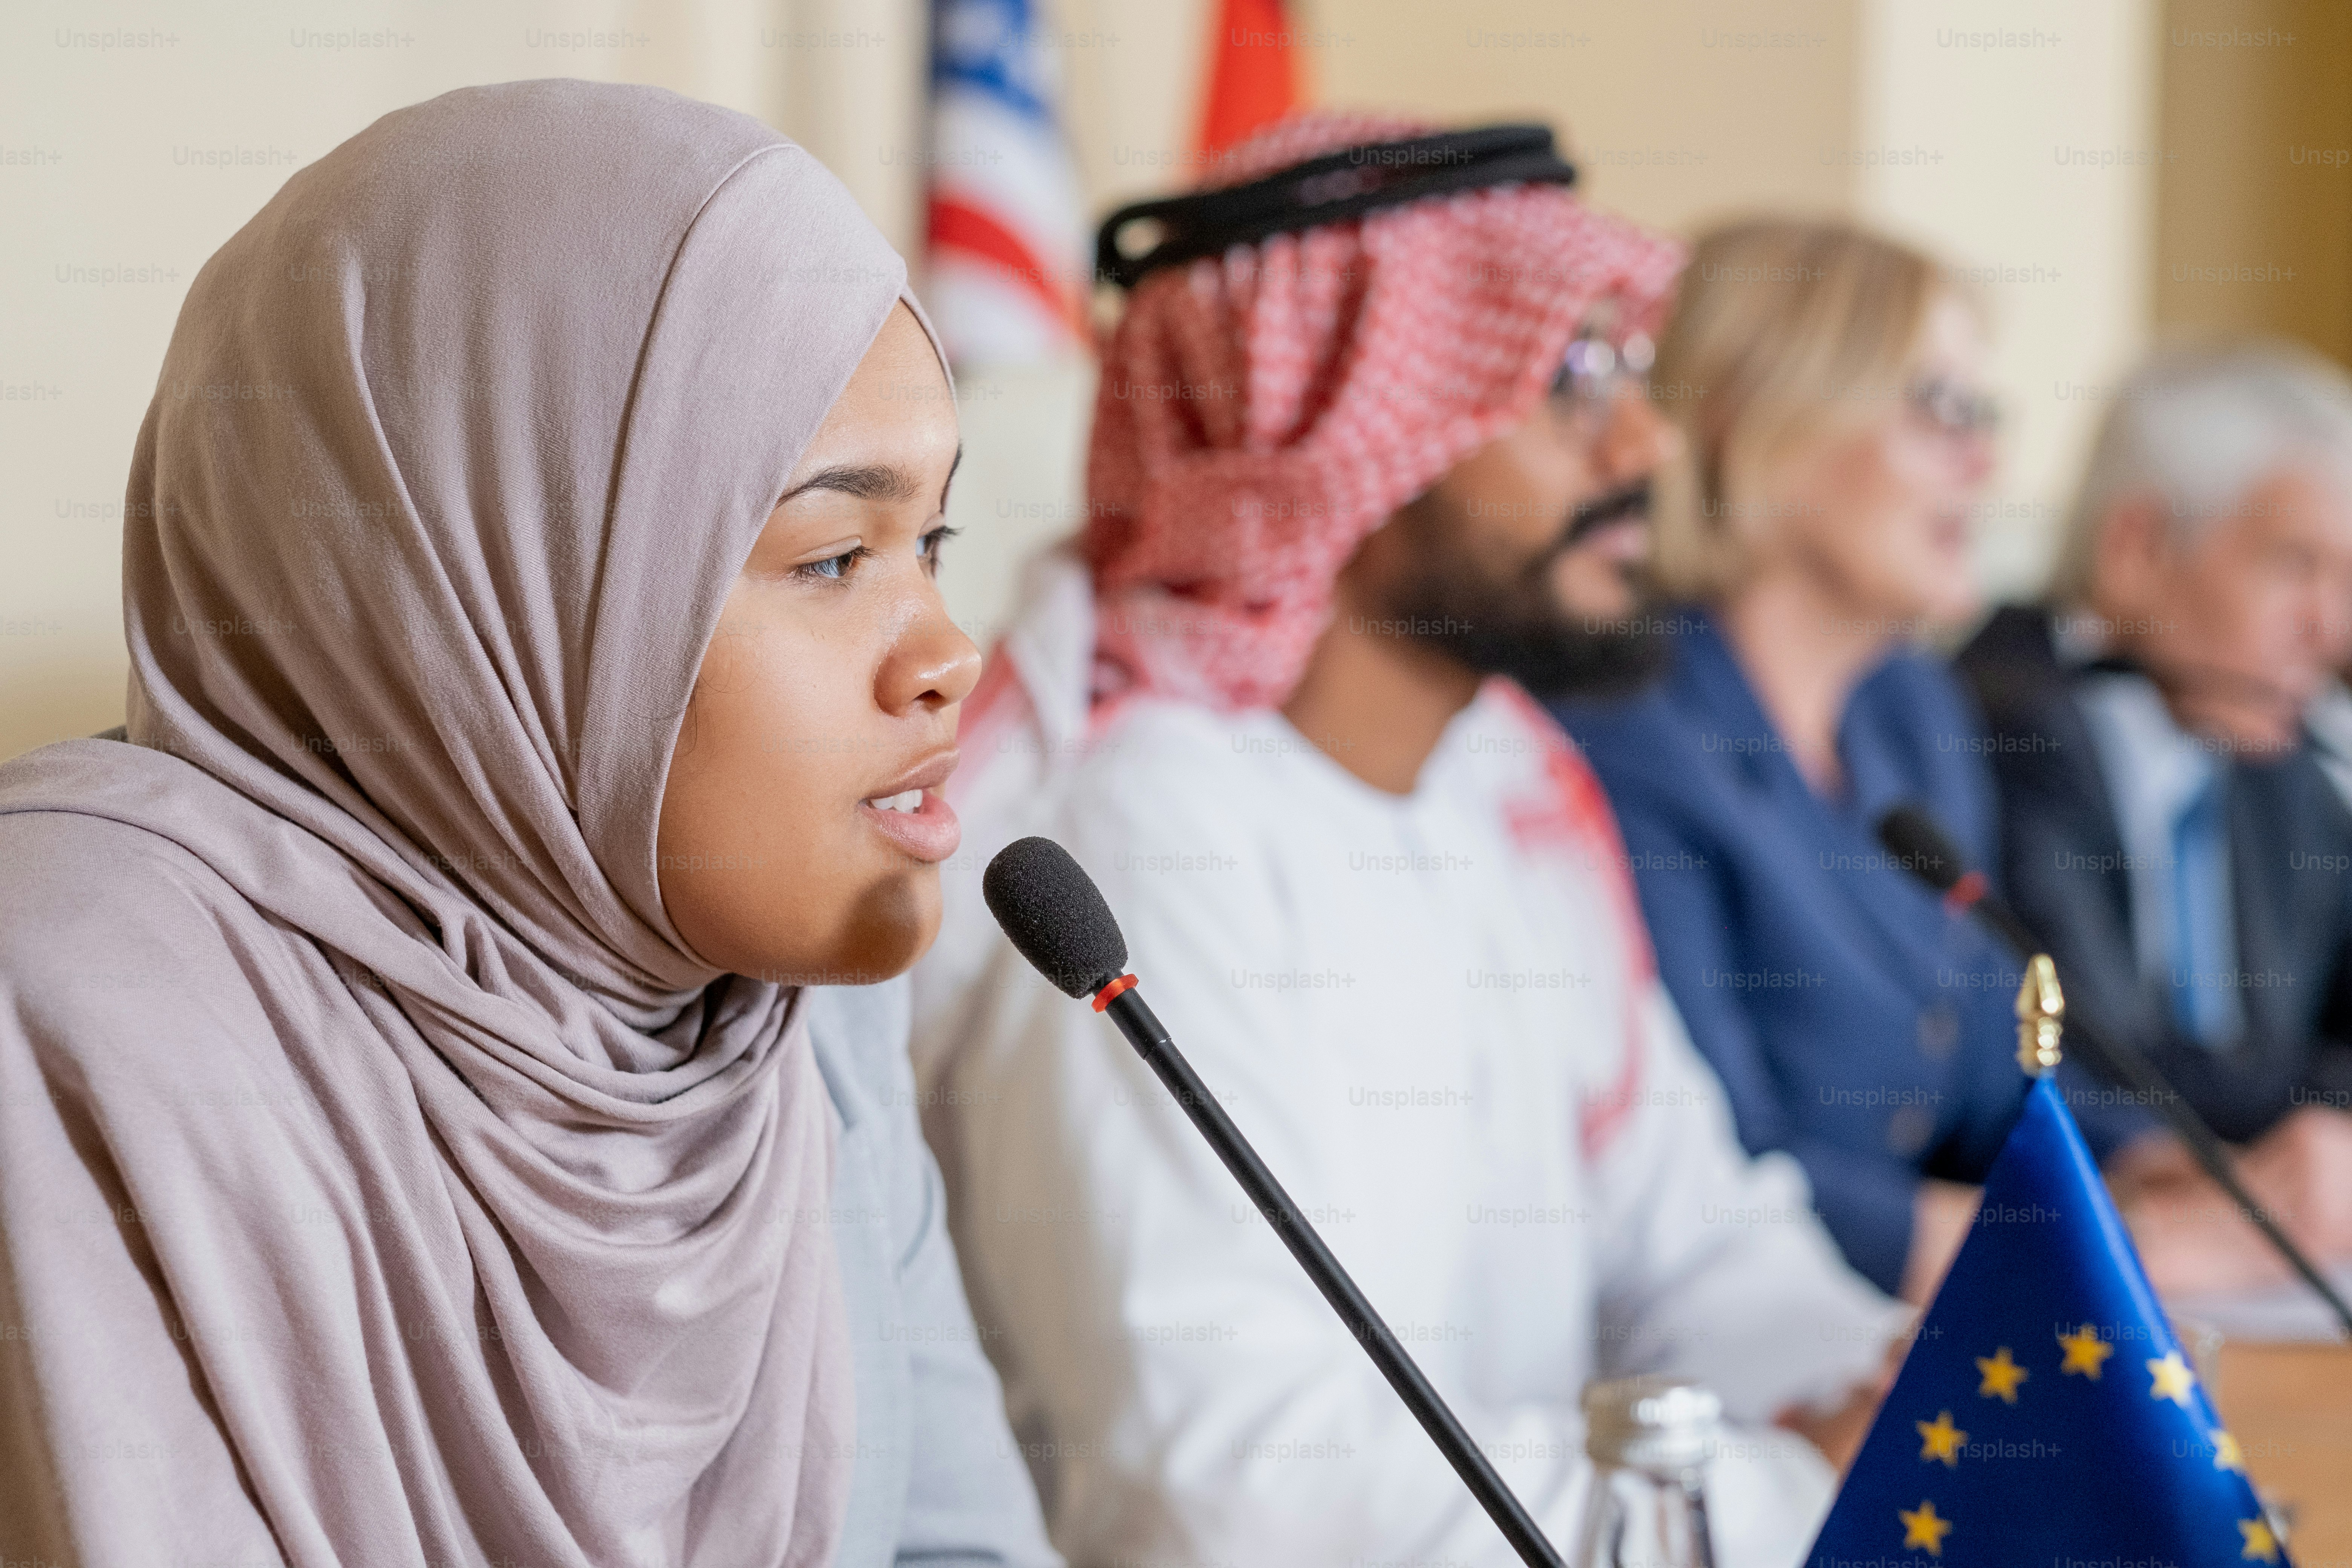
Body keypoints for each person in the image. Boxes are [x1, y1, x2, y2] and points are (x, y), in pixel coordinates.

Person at [0, 82, 1057, 1568]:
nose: (949, 652)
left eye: (930, 542)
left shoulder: (804, 1025)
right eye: (834, 556)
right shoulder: (81, 1007)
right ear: (466, 592)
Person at [910, 115, 1907, 1568]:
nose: (1647, 444)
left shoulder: (1503, 786)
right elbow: (1236, 1499)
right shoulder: (1142, 834)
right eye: (1569, 384)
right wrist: (1785, 1493)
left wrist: (1907, 1399)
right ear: (1337, 444)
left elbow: (1695, 1244)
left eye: (1631, 374)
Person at [1553, 219, 2027, 1305]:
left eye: (1983, 415)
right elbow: (1703, 1174)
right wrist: (2028, 1243)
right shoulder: (1620, 729)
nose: (1985, 462)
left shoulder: (1911, 709)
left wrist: (2185, 1174)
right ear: (1752, 421)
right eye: (1938, 408)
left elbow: (2003, 1077)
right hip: (1735, 1355)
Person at [1955, 339, 2352, 1295]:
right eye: (2295, 565)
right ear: (2135, 550)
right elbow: (2096, 1059)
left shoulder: (2279, 760)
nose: (2330, 629)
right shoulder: (1987, 729)